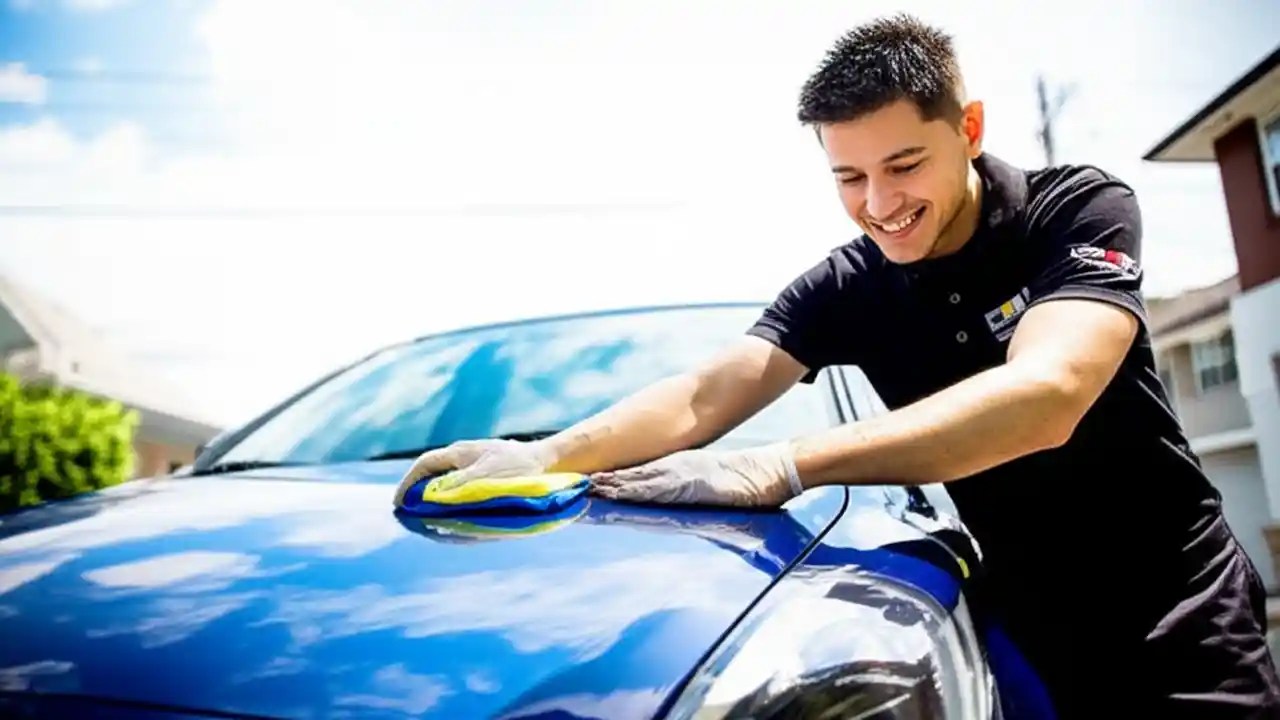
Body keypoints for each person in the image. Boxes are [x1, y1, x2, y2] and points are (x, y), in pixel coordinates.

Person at [393, 13, 1280, 717]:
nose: (880, 205)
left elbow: (1046, 395)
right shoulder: (851, 285)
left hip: (1174, 603)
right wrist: (551, 455)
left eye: (903, 164)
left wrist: (782, 463)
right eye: (849, 177)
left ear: (967, 128)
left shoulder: (1077, 210)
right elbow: (711, 390)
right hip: (1022, 615)